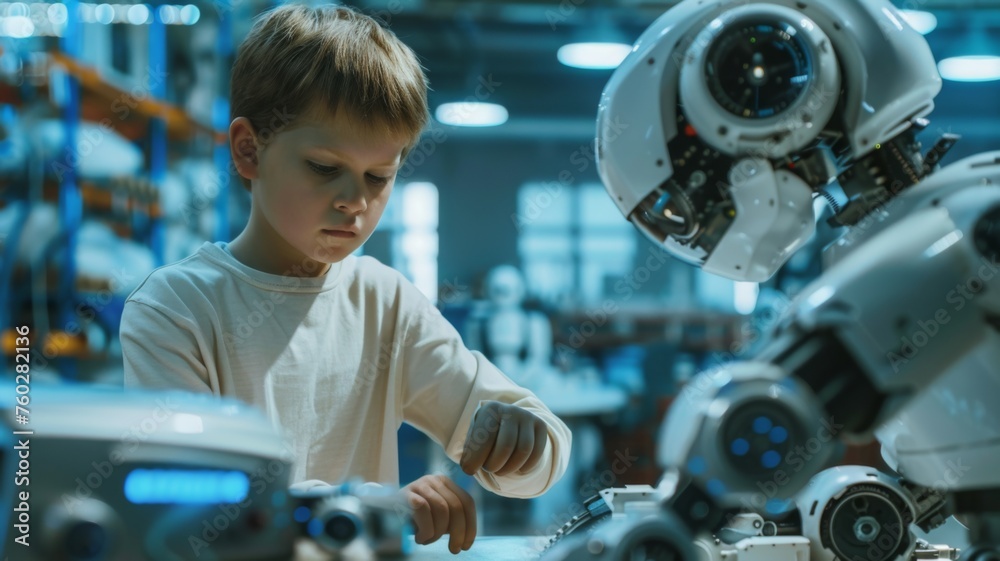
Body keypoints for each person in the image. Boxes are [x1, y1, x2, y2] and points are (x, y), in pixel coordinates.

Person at [119, 4, 571, 555]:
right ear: (247, 151)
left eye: (379, 177)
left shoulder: (384, 302)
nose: (354, 201)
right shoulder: (177, 308)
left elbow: (540, 458)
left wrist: (523, 442)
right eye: (324, 167)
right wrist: (372, 507)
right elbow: (188, 501)